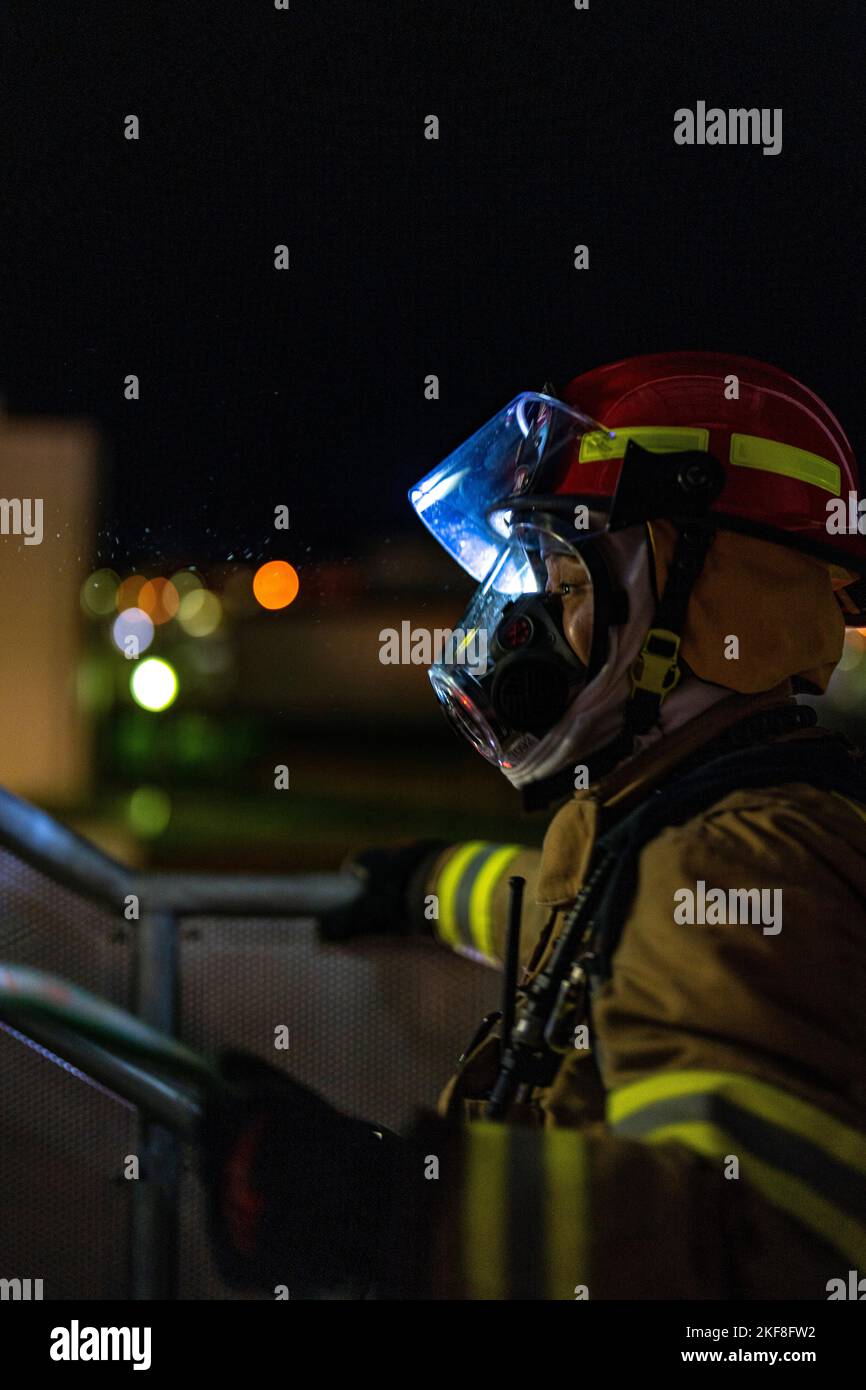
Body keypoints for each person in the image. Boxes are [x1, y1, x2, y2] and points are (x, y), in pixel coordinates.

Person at [202, 352, 866, 1299]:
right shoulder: (671, 821)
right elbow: (589, 921)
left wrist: (394, 1213)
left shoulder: (733, 864)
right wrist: (432, 884)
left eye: (568, 583)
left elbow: (757, 1267)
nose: (526, 624)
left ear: (708, 602)